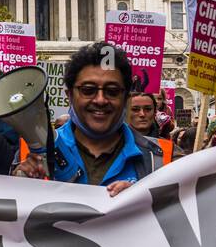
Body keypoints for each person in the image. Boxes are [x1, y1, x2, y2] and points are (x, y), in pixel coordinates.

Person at [50, 42, 166, 196]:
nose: (100, 100)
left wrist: (145, 202)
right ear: (69, 96)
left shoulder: (162, 158)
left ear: (125, 98)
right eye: (88, 90)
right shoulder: (33, 153)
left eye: (112, 91)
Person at [127, 90, 178, 165]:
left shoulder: (170, 149)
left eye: (148, 109)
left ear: (155, 112)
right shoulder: (111, 145)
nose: (142, 114)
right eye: (135, 109)